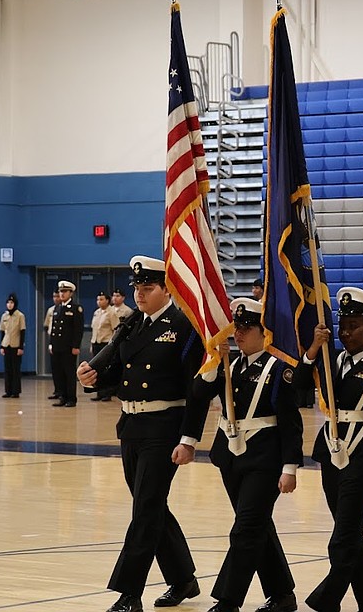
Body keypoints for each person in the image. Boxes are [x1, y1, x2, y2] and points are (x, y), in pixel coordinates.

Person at [76, 256, 206, 612]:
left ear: (167, 289)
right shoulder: (133, 323)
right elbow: (117, 368)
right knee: (152, 506)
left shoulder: (184, 326)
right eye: (137, 287)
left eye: (147, 288)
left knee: (145, 509)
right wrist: (93, 376)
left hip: (165, 429)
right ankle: (183, 579)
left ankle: (129, 592)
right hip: (132, 427)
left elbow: (196, 390)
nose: (140, 293)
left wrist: (189, 439)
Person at [192, 298, 303, 612]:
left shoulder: (279, 369)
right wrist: (214, 362)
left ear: (263, 331)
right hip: (231, 456)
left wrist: (290, 466)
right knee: (257, 526)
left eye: (246, 328)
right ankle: (282, 594)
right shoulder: (230, 364)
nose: (238, 333)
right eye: (236, 327)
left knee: (244, 530)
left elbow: (291, 424)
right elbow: (198, 394)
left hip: (265, 460)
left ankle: (228, 600)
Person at [295, 286, 363, 612]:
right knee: (350, 533)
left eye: (354, 326)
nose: (346, 332)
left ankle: (327, 600)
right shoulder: (329, 359)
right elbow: (296, 386)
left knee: (343, 536)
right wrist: (313, 349)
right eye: (344, 325)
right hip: (330, 452)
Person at [49, 280, 83, 408]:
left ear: (71, 293)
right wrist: (51, 344)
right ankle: (62, 396)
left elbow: (78, 329)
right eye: (60, 291)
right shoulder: (57, 308)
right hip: (57, 346)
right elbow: (54, 328)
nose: (62, 294)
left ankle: (71, 398)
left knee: (69, 373)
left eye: (64, 291)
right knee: (58, 373)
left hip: (68, 347)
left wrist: (76, 346)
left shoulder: (75, 308)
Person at [90, 291, 120, 401]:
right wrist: (91, 344)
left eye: (101, 299)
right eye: (98, 299)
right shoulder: (97, 312)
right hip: (96, 343)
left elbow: (115, 329)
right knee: (96, 369)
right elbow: (94, 330)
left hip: (106, 344)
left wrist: (114, 346)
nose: (99, 302)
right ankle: (99, 393)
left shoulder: (111, 312)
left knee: (106, 369)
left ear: (107, 300)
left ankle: (107, 393)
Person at [0, 293, 26, 398]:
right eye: (8, 303)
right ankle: (8, 391)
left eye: (12, 303)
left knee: (16, 369)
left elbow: (22, 331)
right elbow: (2, 331)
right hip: (6, 344)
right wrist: (1, 346)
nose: (10, 305)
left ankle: (16, 391)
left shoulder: (20, 315)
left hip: (16, 345)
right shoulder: (4, 316)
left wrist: (21, 347)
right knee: (7, 369)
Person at [45, 289, 61, 400]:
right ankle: (57, 390)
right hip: (53, 340)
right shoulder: (51, 310)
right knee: (55, 368)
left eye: (57, 296)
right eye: (54, 296)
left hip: (63, 342)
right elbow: (47, 325)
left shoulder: (65, 309)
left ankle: (63, 391)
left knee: (62, 369)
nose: (56, 298)